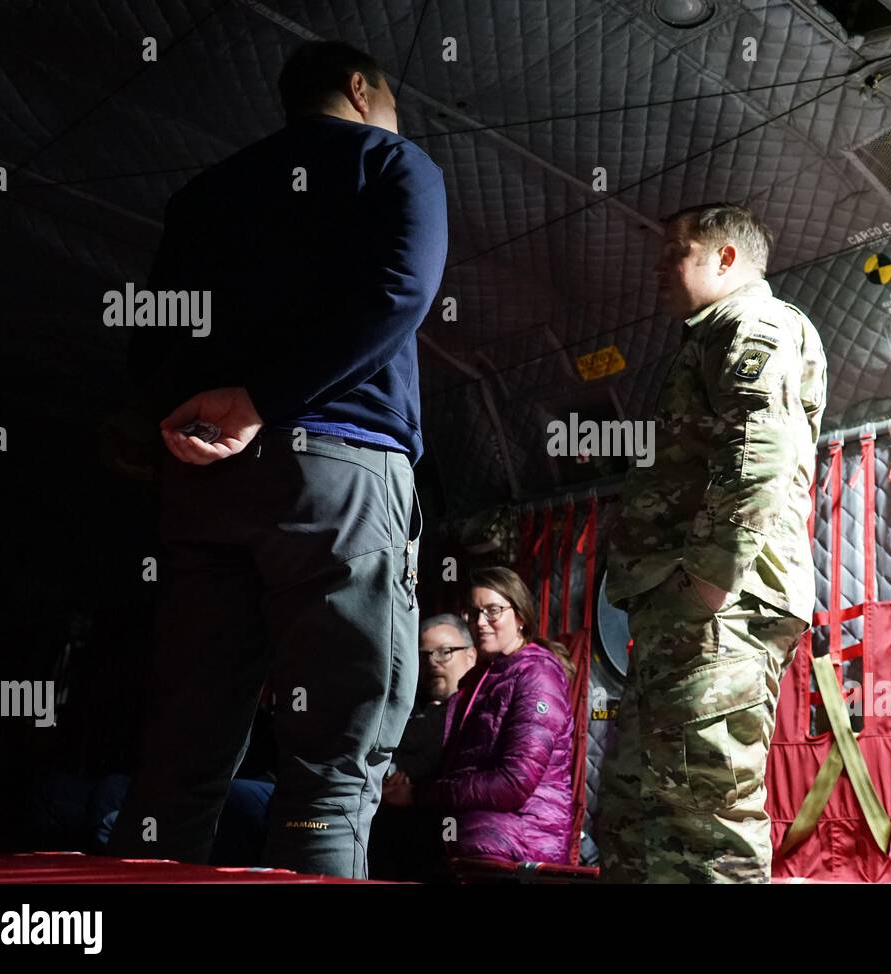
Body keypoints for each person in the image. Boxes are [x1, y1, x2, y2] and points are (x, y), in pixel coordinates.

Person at [106, 41, 448, 879]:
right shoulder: (391, 160)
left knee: (180, 760)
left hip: (206, 478)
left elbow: (152, 320)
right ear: (362, 89)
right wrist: (266, 400)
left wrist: (177, 421)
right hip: (338, 469)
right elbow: (403, 291)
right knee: (333, 767)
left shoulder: (205, 193)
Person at [595, 202, 827, 883]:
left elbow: (760, 449)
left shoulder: (752, 322)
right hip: (687, 610)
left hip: (719, 606)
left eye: (677, 251)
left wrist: (712, 576)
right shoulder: (709, 337)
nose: (661, 267)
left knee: (703, 817)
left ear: (726, 258)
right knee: (640, 811)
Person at [380, 568, 575, 865]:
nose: (480, 622)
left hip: (521, 837)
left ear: (520, 616)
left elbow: (514, 783)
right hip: (480, 829)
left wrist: (418, 795)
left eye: (493, 611)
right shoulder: (485, 677)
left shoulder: (538, 676)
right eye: (473, 612)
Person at [368, 613, 477, 879]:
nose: (433, 662)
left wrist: (413, 792)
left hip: (438, 839)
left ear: (471, 656)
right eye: (425, 654)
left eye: (445, 652)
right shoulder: (400, 709)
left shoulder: (474, 713)